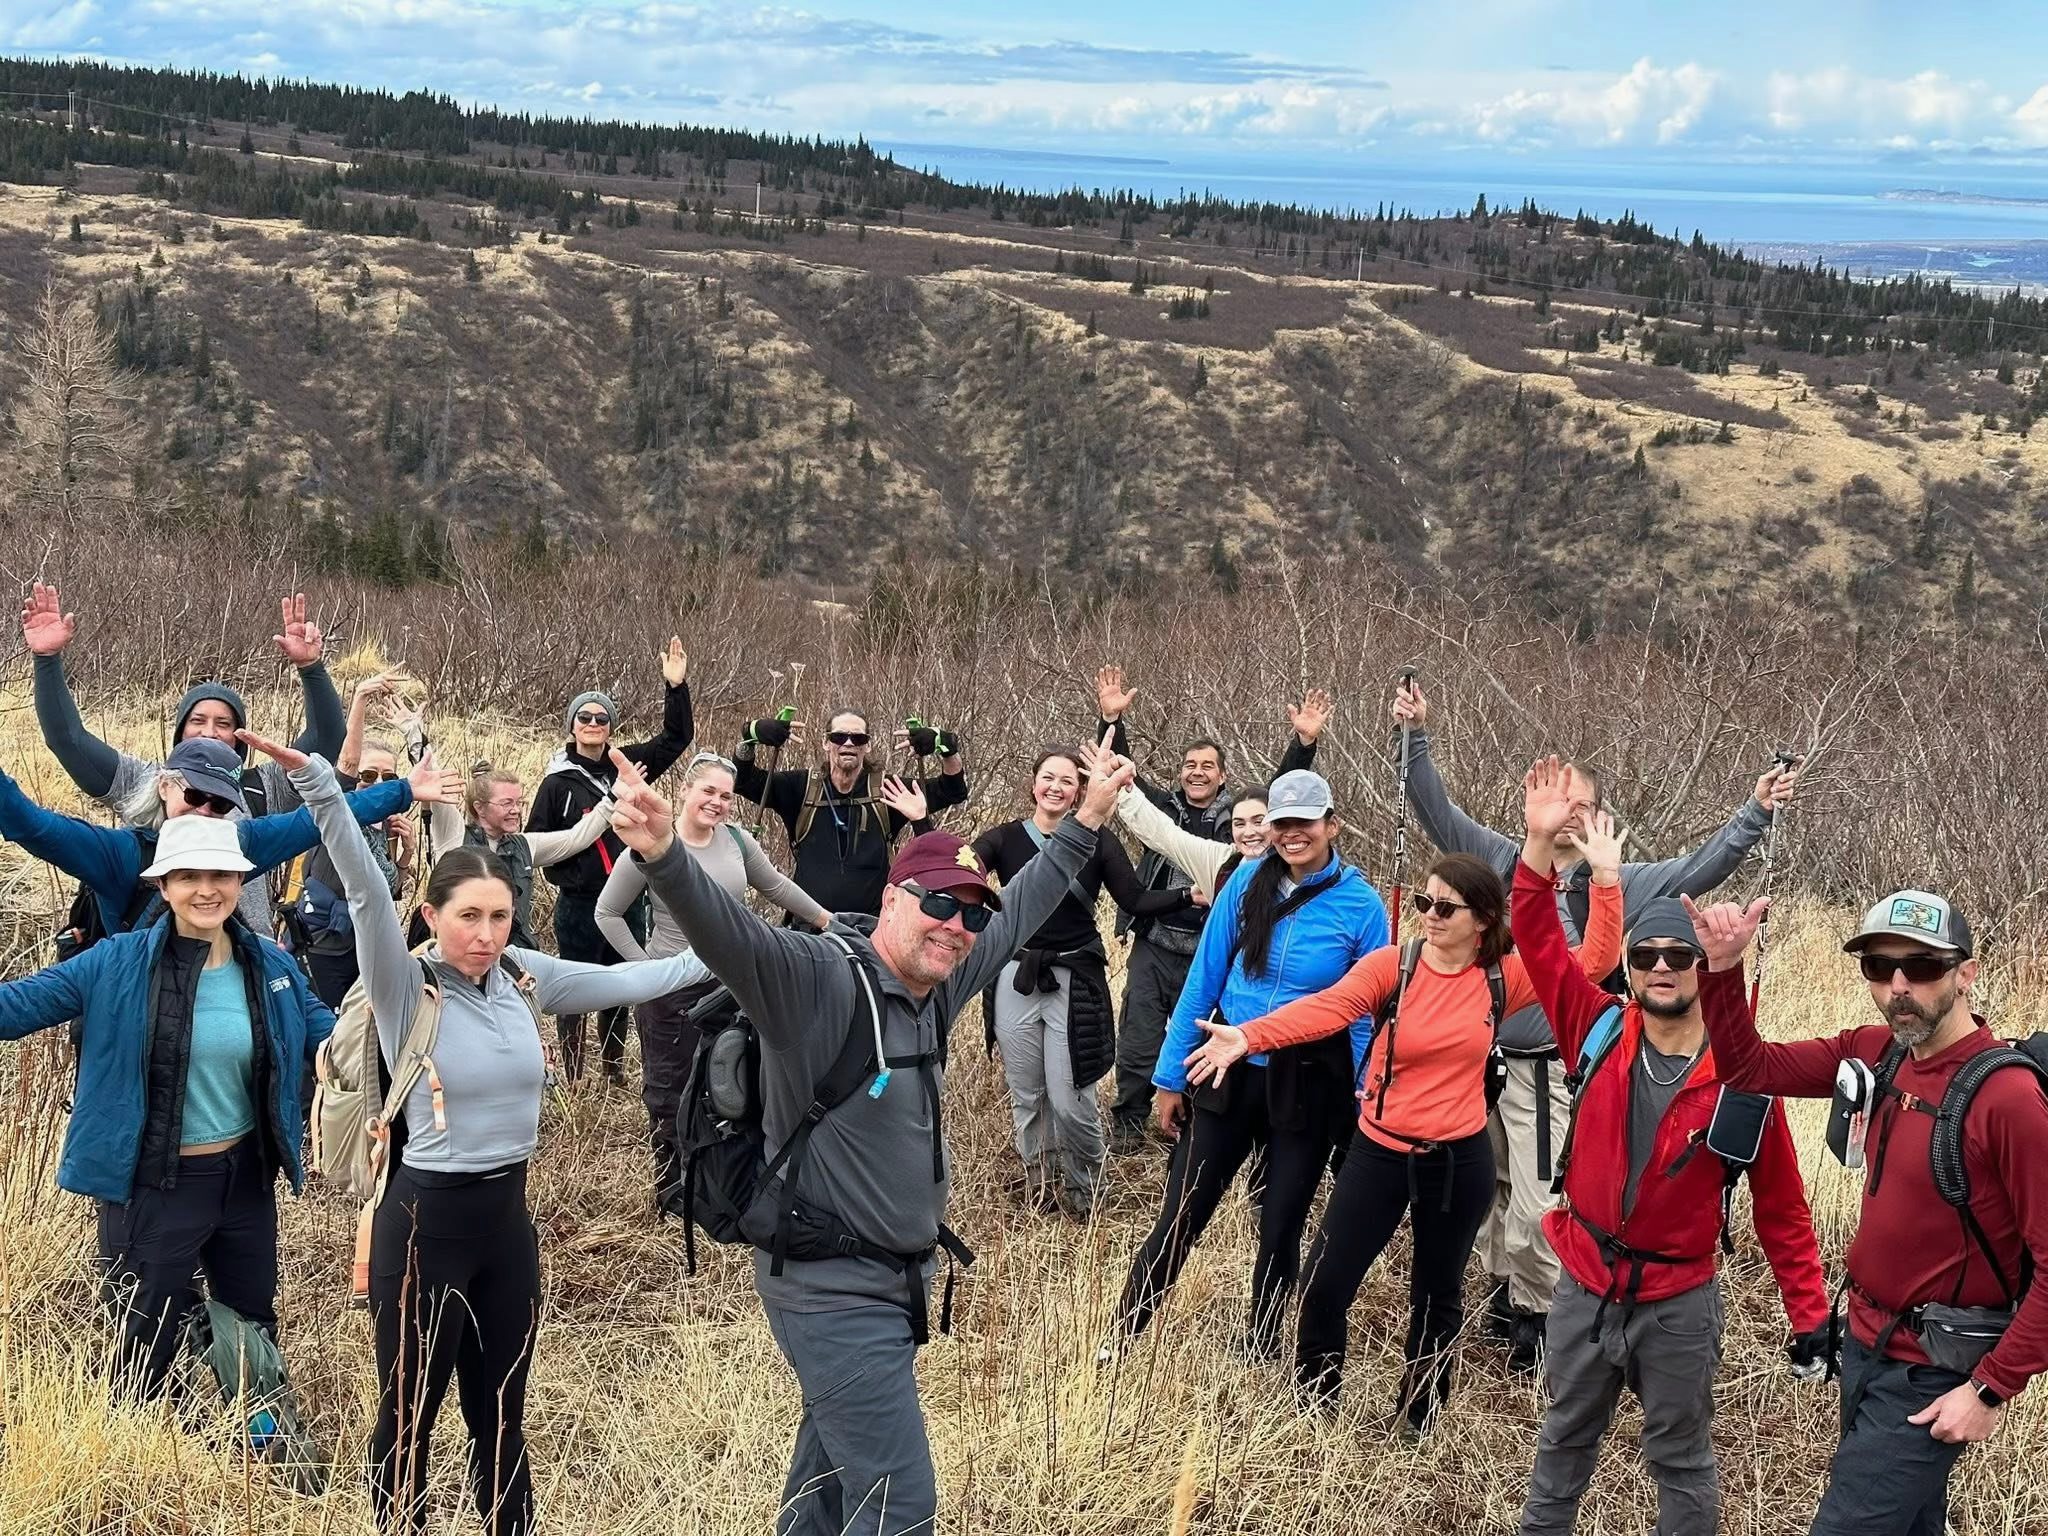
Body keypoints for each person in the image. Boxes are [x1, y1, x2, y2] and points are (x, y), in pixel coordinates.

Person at [603, 738, 1135, 1536]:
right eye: (938, 902)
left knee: (828, 1491)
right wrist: (668, 857)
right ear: (892, 898)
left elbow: (1020, 905)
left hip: (894, 1285)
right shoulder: (816, 980)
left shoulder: (933, 986)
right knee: (899, 1506)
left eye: (968, 911)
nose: (957, 925)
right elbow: (734, 940)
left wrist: (1086, 822)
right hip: (830, 1289)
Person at [276, 734, 709, 1536]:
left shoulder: (523, 978)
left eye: (499, 916)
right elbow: (369, 896)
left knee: (502, 1416)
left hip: (507, 1231)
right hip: (422, 1228)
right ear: (433, 917)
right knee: (409, 1416)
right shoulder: (407, 988)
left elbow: (636, 977)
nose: (485, 933)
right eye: (467, 917)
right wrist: (323, 791)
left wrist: (739, 946)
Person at [1389, 677, 1800, 1367]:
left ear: (1601, 816)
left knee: (1541, 1198)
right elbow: (1432, 807)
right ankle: (1504, 1297)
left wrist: (1754, 813)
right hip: (1479, 1058)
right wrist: (1414, 733)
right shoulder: (1499, 857)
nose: (1567, 814)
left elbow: (1705, 864)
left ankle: (1541, 1321)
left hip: (1552, 1064)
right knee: (1485, 1187)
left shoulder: (1624, 880)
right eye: (1558, 801)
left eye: (1580, 804)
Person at [1184, 792, 1624, 1433]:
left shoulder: (1504, 976)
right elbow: (1329, 1008)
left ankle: (1417, 1418)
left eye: (1444, 907)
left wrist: (1606, 880)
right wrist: (1250, 1036)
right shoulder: (1395, 964)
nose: (1427, 916)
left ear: (1481, 920)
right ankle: (1315, 1407)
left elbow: (1593, 964)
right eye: (1422, 902)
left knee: (1437, 1296)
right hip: (1378, 1151)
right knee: (1326, 1282)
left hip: (1458, 1158)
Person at [1509, 758, 1830, 1536]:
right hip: (1583, 1281)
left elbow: (1781, 1210)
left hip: (1680, 1302)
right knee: (1561, 1448)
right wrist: (1537, 845)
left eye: (1678, 957)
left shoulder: (1744, 1079)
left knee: (1681, 1461)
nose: (1659, 968)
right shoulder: (1596, 1028)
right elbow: (1538, 938)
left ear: (1703, 966)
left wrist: (1810, 1317)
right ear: (1627, 967)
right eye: (1645, 956)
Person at [1692, 886, 2048, 1536]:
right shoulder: (1878, 1053)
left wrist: (1990, 1388)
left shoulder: (2008, 1100)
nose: (1899, 986)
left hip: (1931, 1370)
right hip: (1863, 1344)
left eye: (1923, 965)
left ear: (1967, 972)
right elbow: (1747, 1068)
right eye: (1880, 967)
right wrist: (1722, 970)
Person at [0, 810, 332, 1398]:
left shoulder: (271, 965)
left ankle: (253, 1450)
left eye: (222, 875)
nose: (206, 889)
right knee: (143, 1346)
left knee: (250, 1328)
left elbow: (331, 1040)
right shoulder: (116, 962)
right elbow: (16, 1009)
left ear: (241, 881)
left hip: (245, 1181)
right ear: (163, 885)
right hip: (155, 1184)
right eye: (188, 876)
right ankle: (145, 1461)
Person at [1110, 768, 1388, 1361]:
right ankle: (1122, 1335)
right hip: (1226, 1072)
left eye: (1304, 823)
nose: (1291, 835)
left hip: (1310, 1082)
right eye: (1280, 823)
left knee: (1281, 1223)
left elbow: (1367, 1012)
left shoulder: (1362, 905)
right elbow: (1203, 982)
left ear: (1331, 825)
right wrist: (1168, 1077)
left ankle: (1259, 1349)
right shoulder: (1243, 885)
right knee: (1182, 1211)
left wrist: (1364, 1095)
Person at [1093, 663, 1330, 1151]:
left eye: (1208, 766)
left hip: (1218, 954)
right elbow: (1135, 801)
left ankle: (1208, 1128)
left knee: (1213, 1040)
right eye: (1190, 765)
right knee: (1139, 1033)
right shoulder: (1189, 829)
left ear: (1223, 777)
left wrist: (1303, 747)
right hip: (1158, 939)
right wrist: (1110, 725)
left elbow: (1279, 799)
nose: (1197, 773)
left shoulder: (1244, 832)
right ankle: (1136, 1125)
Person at [22, 583, 348, 932]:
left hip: (243, 962)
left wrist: (311, 668)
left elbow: (326, 740)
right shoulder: (145, 781)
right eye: (197, 721)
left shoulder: (260, 790)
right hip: (151, 963)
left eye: (224, 724)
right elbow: (68, 740)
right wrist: (46, 660)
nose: (210, 731)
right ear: (179, 734)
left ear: (240, 738)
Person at [593, 749, 830, 1217]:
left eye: (726, 796)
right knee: (670, 1091)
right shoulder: (651, 842)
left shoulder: (738, 842)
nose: (717, 802)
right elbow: (608, 913)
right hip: (669, 992)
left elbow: (777, 886)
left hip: (731, 987)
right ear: (685, 789)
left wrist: (828, 920)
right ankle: (673, 1195)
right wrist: (647, 972)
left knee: (731, 1085)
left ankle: (721, 1187)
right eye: (708, 791)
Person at [0, 735, 451, 971]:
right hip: (139, 1034)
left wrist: (404, 790)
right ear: (163, 785)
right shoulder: (120, 855)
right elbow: (34, 825)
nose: (205, 812)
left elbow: (321, 818)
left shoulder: (241, 844)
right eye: (195, 795)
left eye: (220, 804)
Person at [970, 748, 1194, 1220]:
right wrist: (925, 825)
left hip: (1076, 977)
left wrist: (1188, 895)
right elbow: (964, 871)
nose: (1055, 787)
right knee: (1027, 1094)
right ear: (1033, 785)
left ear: (1080, 792)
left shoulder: (1100, 841)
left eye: (1067, 781)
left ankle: (1086, 1188)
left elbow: (1133, 898)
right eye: (1047, 778)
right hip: (1016, 973)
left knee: (1071, 1099)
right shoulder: (1005, 838)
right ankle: (1040, 1186)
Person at [524, 638, 694, 1085]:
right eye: (585, 717)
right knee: (578, 986)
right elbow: (536, 844)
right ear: (573, 725)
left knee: (622, 986)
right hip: (578, 905)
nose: (593, 723)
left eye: (602, 718)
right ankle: (575, 1076)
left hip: (629, 899)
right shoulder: (556, 782)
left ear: (610, 727)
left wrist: (675, 688)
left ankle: (615, 1075)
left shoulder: (629, 766)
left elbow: (676, 739)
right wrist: (575, 874)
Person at [732, 704, 965, 915]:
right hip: (808, 932)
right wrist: (750, 737)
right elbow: (742, 780)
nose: (848, 743)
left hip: (871, 933)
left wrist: (947, 747)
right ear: (826, 742)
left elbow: (953, 790)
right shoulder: (800, 788)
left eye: (858, 738)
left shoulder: (887, 790)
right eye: (839, 737)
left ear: (868, 745)